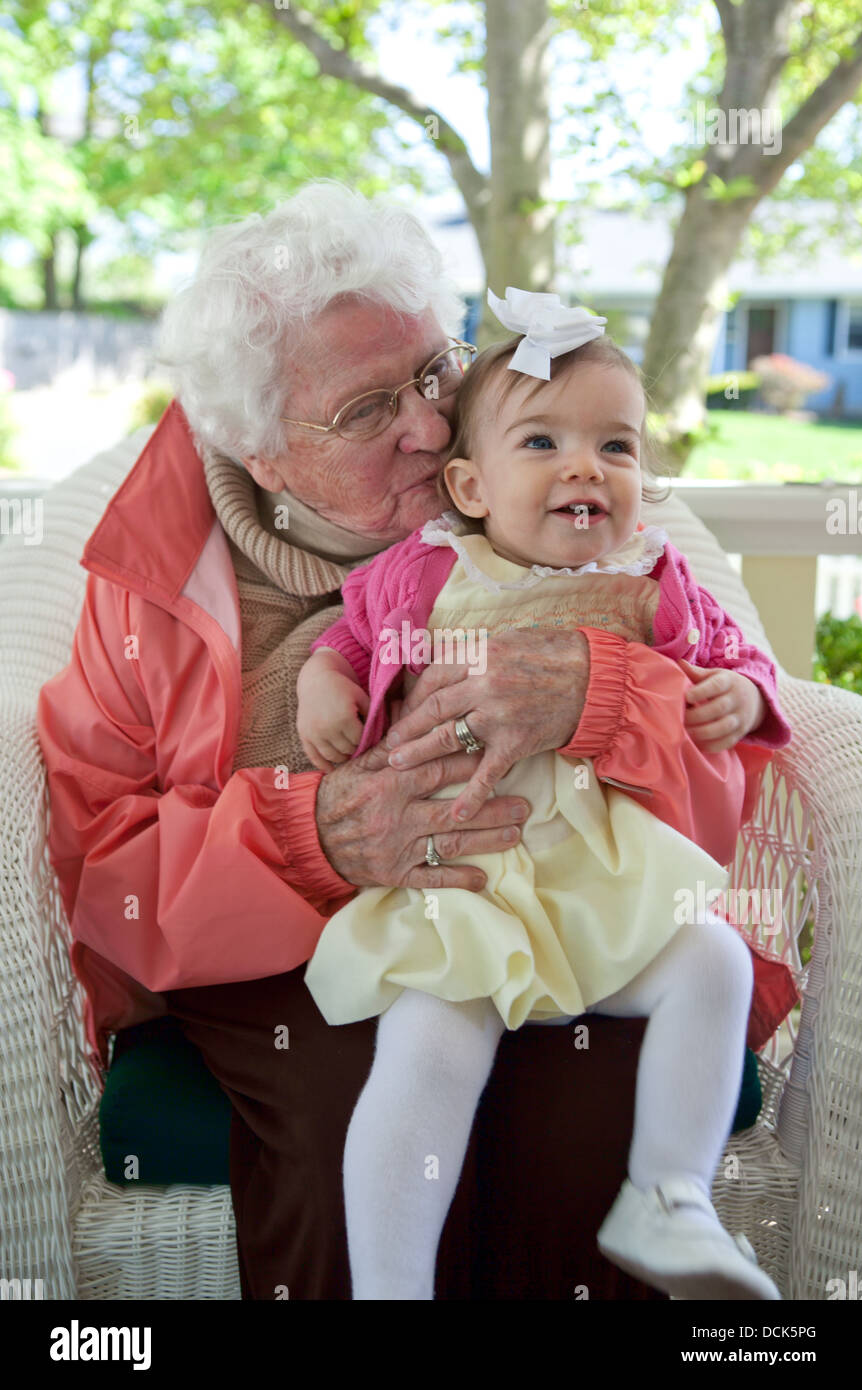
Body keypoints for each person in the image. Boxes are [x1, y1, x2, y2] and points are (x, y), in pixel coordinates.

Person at [35, 185, 799, 1300]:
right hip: (286, 951)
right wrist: (312, 840)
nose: (436, 425)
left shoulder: (561, 506)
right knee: (357, 1087)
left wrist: (599, 695)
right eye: (364, 410)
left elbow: (733, 778)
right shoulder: (151, 584)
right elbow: (106, 866)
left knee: (594, 1088)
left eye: (436, 369)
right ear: (261, 452)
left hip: (561, 899)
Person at [296, 287, 792, 1300]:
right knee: (427, 1045)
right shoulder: (423, 573)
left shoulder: (654, 583)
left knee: (710, 960)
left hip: (597, 888)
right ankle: (390, 1287)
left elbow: (744, 656)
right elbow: (346, 635)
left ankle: (666, 1196)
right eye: (543, 443)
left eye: (614, 447)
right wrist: (327, 681)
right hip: (464, 875)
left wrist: (741, 690)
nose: (584, 467)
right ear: (469, 485)